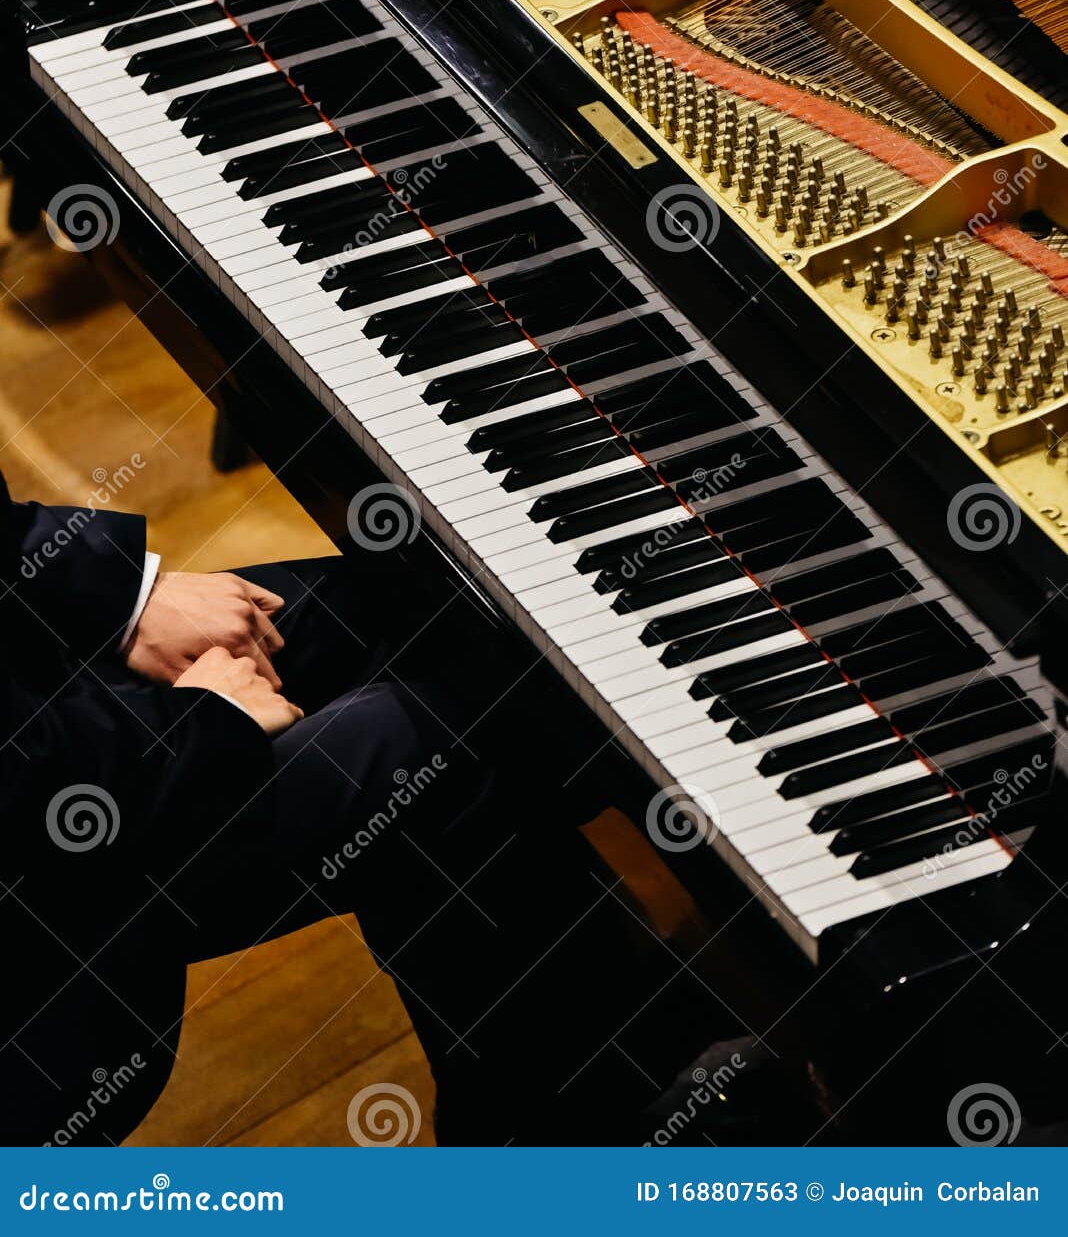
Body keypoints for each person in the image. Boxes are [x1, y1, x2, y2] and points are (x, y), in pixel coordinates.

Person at [0, 465, 718, 1145]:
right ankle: (562, 1144)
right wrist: (208, 721)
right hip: (43, 881)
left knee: (421, 609)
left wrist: (126, 594)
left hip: (43, 712)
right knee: (436, 746)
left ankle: (615, 1051)